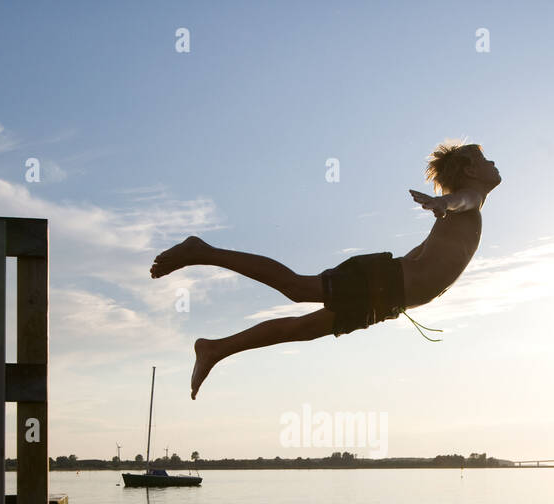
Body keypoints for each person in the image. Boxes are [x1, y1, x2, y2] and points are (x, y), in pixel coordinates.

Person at [150, 141, 501, 399]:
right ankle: (202, 251)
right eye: (485, 159)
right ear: (470, 170)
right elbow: (461, 201)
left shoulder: (469, 209)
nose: (493, 162)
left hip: (387, 299)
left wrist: (402, 293)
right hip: (383, 284)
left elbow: (425, 254)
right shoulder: (468, 203)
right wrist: (443, 202)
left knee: (303, 327)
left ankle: (216, 349)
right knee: (297, 289)